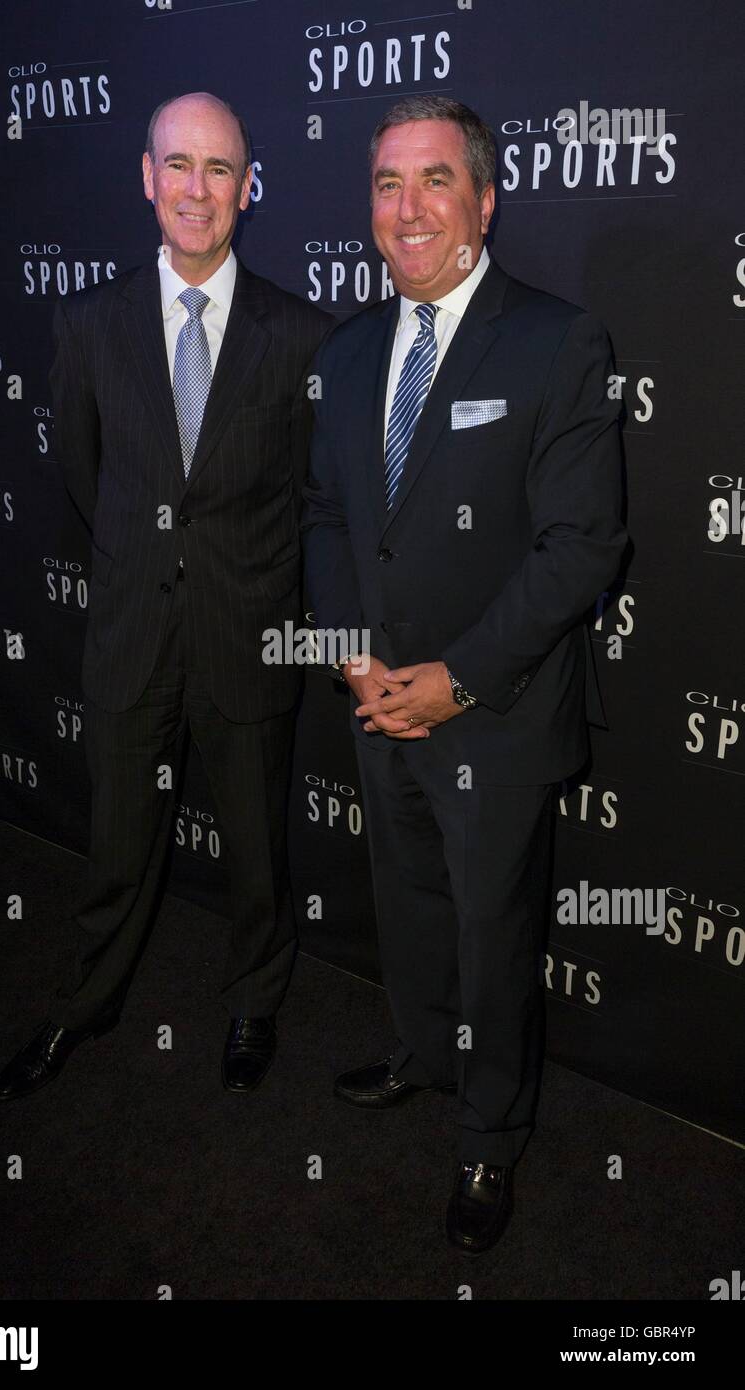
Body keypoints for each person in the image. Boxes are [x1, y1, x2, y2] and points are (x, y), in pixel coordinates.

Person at [301, 95, 627, 1252]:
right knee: (412, 907)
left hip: (492, 713)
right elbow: (332, 516)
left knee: (496, 933)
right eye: (389, 184)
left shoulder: (556, 340)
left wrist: (458, 678)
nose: (410, 208)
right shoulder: (343, 353)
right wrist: (351, 652)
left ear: (485, 200)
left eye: (436, 180)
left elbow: (583, 543)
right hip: (376, 704)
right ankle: (426, 1056)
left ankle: (490, 1138)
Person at [0, 91, 331, 1102]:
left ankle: (254, 1004)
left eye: (219, 169)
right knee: (118, 847)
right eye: (177, 165)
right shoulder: (88, 322)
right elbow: (85, 476)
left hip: (247, 633)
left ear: (246, 188)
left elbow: (315, 494)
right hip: (135, 633)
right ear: (147, 179)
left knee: (260, 853)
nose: (197, 188)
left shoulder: (300, 332)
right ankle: (84, 1004)